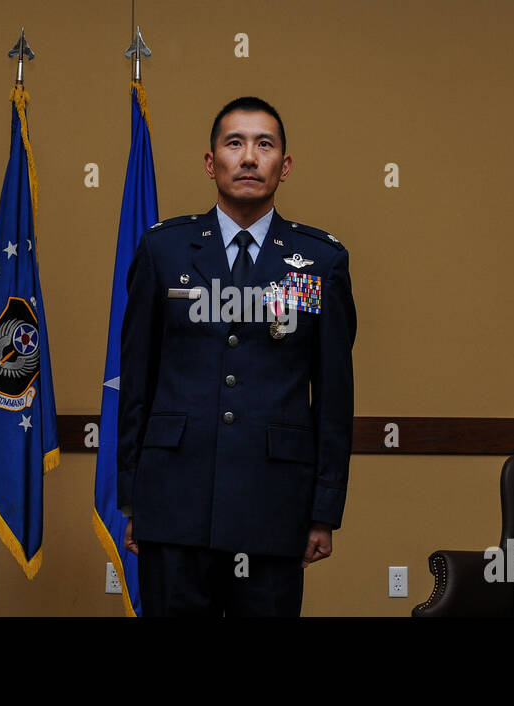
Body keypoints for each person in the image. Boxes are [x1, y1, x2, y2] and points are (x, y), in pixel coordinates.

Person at [117, 96, 356, 616]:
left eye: (264, 145)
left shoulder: (318, 262)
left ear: (284, 166)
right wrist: (135, 498)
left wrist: (323, 510)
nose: (249, 157)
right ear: (211, 163)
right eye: (235, 143)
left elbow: (335, 398)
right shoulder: (165, 251)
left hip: (274, 506)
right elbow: (136, 382)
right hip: (174, 499)